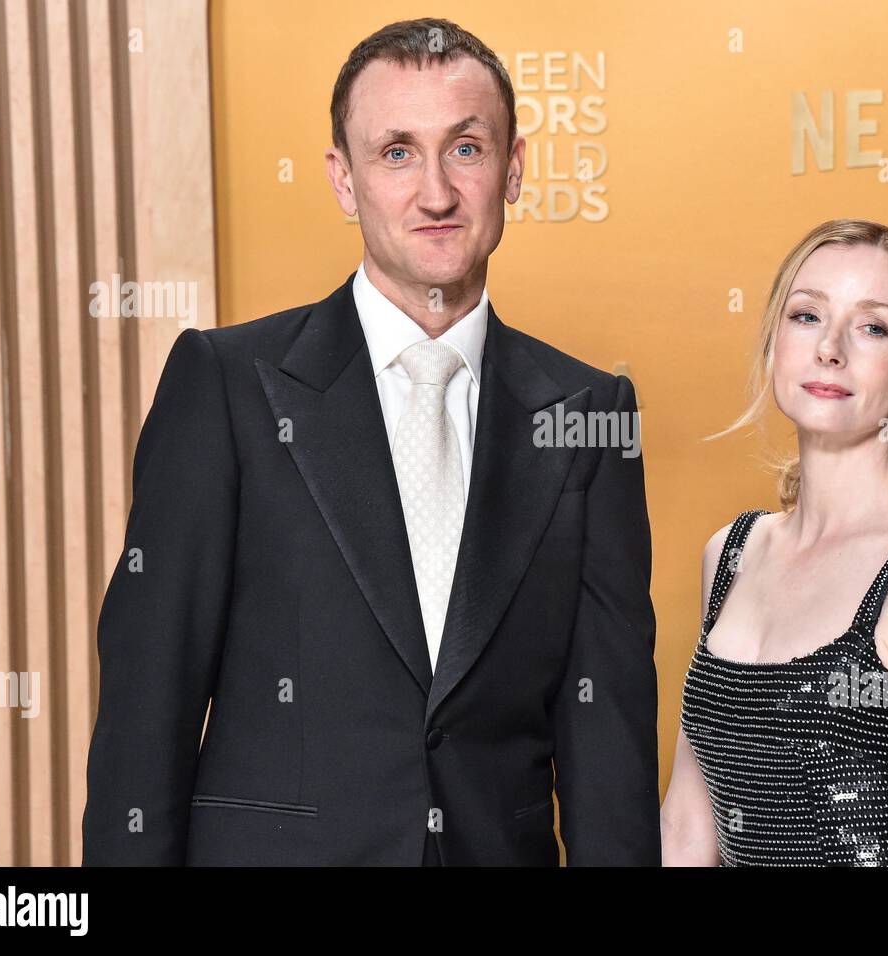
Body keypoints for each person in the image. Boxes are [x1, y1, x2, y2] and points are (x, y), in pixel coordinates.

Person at [82, 18, 660, 866]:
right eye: (396, 152)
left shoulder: (590, 414)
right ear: (343, 180)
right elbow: (146, 709)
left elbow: (607, 745)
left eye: (466, 149)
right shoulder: (227, 385)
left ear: (515, 169)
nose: (435, 192)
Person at [661, 219, 888, 866]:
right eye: (806, 316)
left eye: (873, 327)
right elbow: (685, 833)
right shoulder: (731, 554)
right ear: (774, 341)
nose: (830, 348)